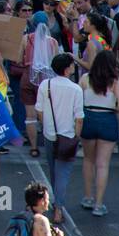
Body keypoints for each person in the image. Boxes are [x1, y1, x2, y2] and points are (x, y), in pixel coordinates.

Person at [35, 52, 84, 226]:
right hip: (68, 135)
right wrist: (77, 136)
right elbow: (79, 118)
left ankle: (55, 201)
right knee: (63, 172)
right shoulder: (76, 89)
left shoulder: (44, 85)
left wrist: (46, 125)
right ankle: (58, 208)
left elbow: (39, 111)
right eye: (71, 65)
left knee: (53, 170)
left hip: (50, 134)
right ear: (67, 69)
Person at [80, 49, 119, 217]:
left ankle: (87, 197)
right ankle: (99, 204)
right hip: (107, 119)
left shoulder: (85, 79)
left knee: (88, 160)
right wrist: (112, 108)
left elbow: (79, 100)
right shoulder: (115, 81)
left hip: (89, 117)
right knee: (102, 164)